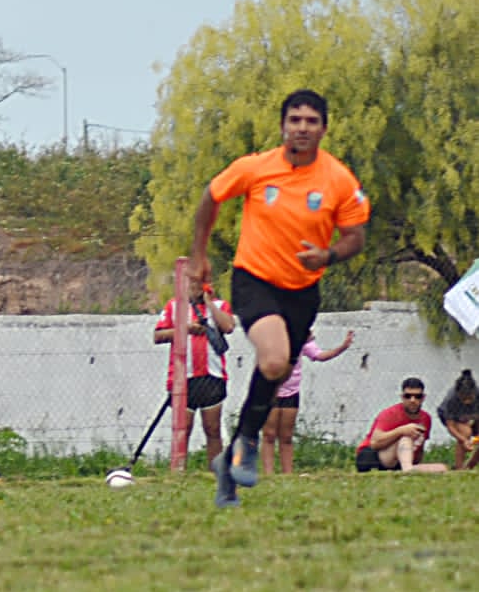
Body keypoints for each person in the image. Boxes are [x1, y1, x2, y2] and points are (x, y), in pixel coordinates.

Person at [189, 89, 370, 508]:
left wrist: (327, 255)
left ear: (323, 128)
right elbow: (210, 197)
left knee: (274, 376)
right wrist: (199, 256)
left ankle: (233, 462)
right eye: (295, 120)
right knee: (273, 360)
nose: (302, 128)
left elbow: (355, 238)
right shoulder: (256, 168)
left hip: (304, 290)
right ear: (283, 125)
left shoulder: (338, 179)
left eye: (311, 121)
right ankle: (246, 445)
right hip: (255, 279)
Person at [151, 291, 238, 470]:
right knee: (183, 428)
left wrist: (209, 303)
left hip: (212, 376)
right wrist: (186, 329)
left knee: (212, 428)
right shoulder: (174, 306)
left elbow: (228, 326)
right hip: (184, 377)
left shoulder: (220, 306)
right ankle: (177, 471)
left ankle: (216, 471)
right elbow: (158, 336)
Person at [262, 329, 354, 475]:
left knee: (286, 436)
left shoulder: (301, 337)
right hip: (270, 390)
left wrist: (342, 347)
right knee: (269, 434)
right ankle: (268, 474)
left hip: (291, 391)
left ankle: (288, 474)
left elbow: (319, 355)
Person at [355, 378, 449, 473]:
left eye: (417, 396)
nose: (412, 400)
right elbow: (374, 443)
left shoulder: (426, 418)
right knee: (405, 438)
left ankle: (408, 469)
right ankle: (408, 469)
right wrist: (401, 431)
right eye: (408, 396)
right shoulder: (390, 414)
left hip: (400, 461)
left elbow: (420, 448)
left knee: (442, 468)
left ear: (423, 398)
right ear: (402, 397)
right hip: (371, 456)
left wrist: (416, 462)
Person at [436, 369, 479, 471]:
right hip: (454, 418)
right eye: (464, 398)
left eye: (470, 398)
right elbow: (451, 426)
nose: (467, 401)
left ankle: (470, 465)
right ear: (458, 394)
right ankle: (459, 468)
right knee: (465, 432)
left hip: (473, 416)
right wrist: (464, 440)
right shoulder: (451, 400)